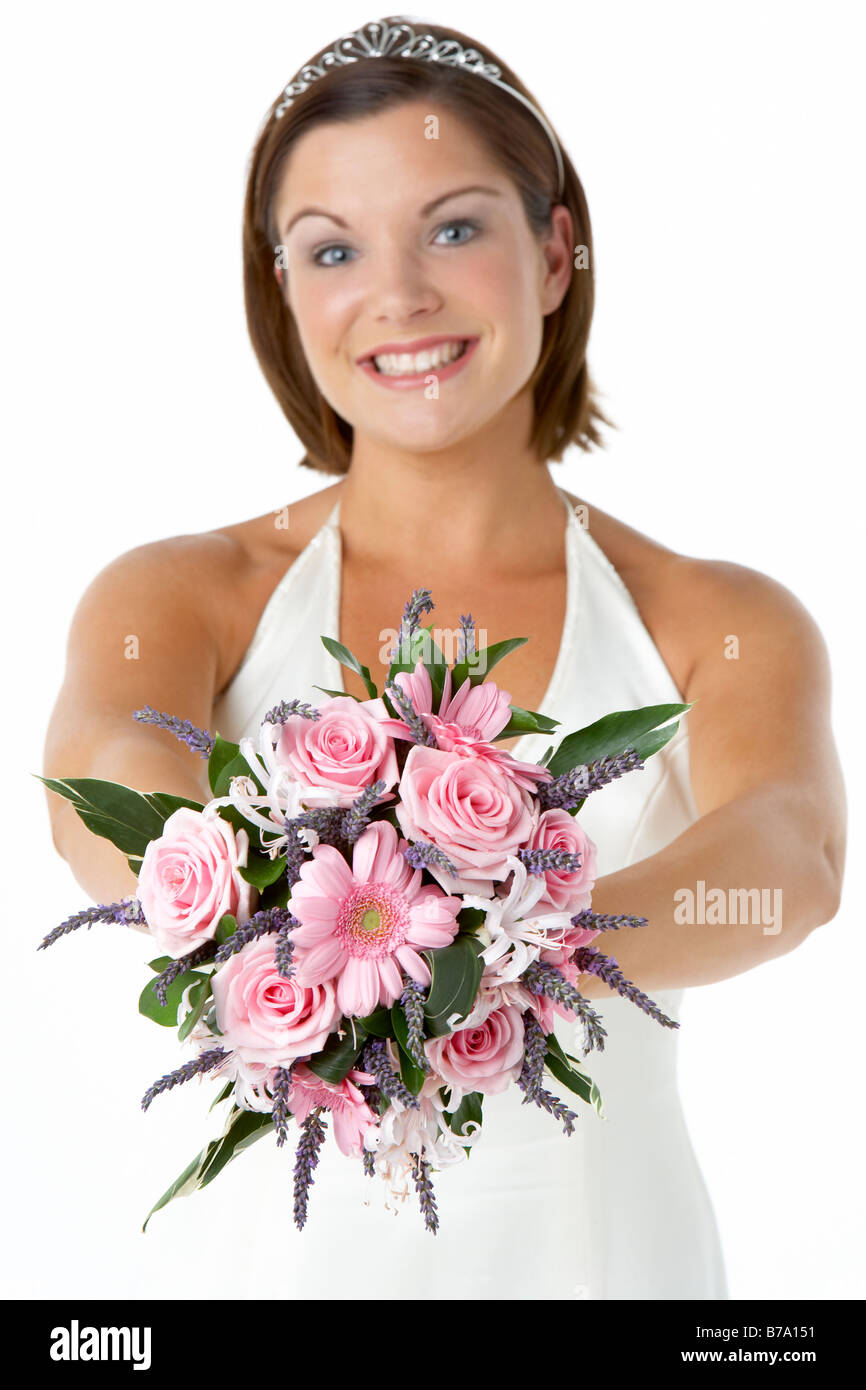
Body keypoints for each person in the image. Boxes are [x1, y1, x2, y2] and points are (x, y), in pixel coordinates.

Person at [43, 16, 846, 1299]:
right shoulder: (181, 591)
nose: (399, 293)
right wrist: (300, 919)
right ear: (284, 289)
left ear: (554, 251)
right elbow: (107, 785)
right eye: (331, 249)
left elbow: (790, 855)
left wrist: (502, 938)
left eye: (456, 227)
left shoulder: (710, 615)